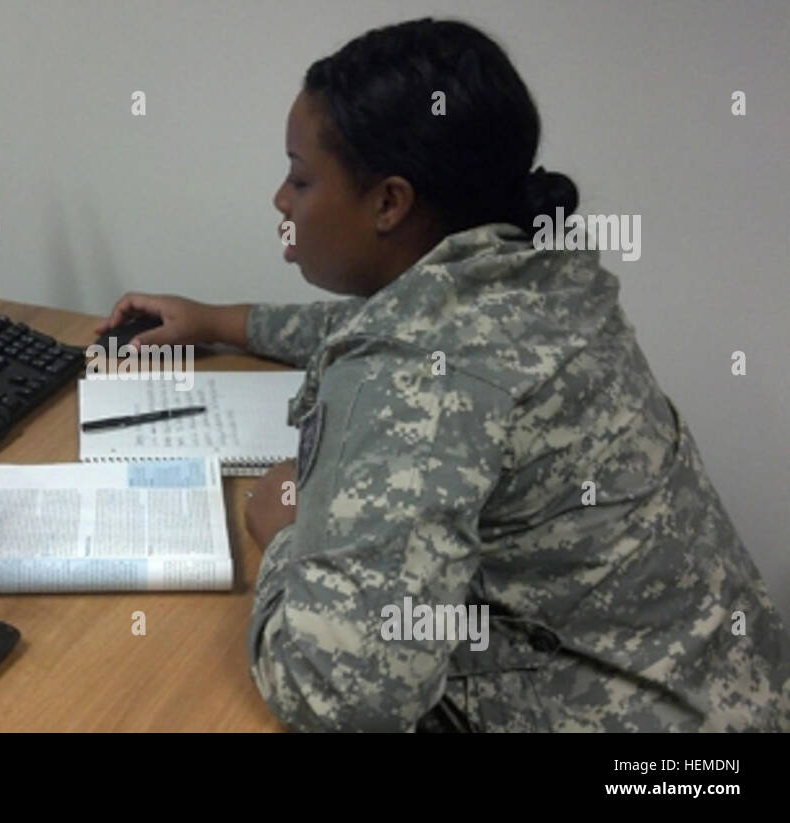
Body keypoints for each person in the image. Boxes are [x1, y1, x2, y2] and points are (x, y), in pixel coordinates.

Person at [96, 18, 790, 732]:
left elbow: (345, 695)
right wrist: (216, 320)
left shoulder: (415, 375)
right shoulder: (533, 275)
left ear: (389, 202)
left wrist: (285, 539)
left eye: (300, 177)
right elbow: (374, 327)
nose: (281, 200)